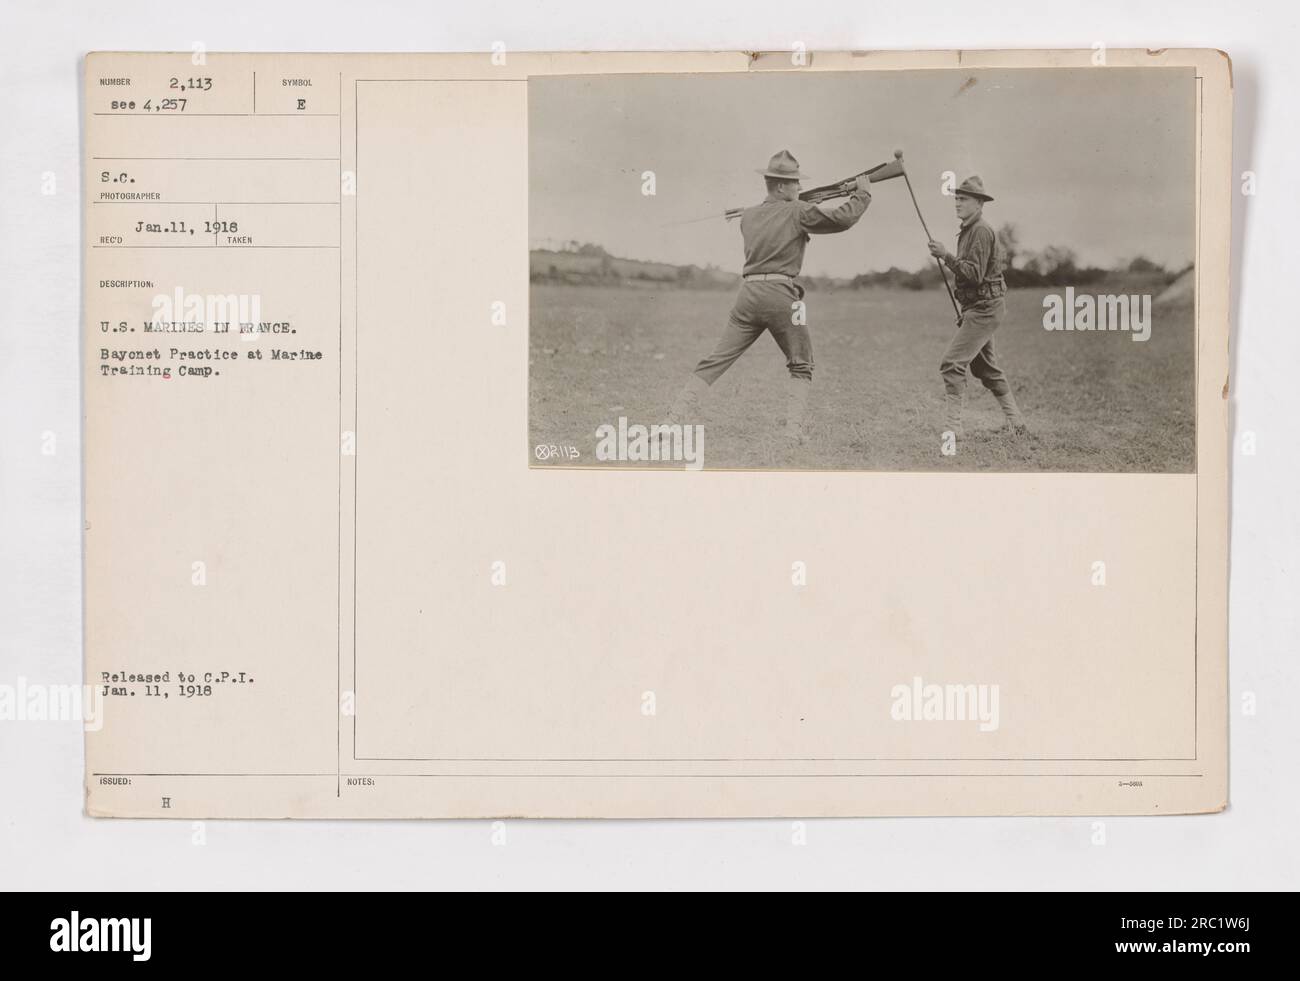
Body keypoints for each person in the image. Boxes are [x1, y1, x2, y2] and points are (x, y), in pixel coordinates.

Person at [666, 149, 872, 443]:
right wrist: (862, 195)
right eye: (794, 183)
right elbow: (842, 220)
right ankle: (793, 431)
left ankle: (673, 418)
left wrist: (801, 203)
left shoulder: (747, 216)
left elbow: (776, 219)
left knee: (716, 359)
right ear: (780, 186)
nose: (799, 187)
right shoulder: (798, 211)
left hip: (747, 295)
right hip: (781, 295)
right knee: (802, 362)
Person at [926, 176, 1026, 439]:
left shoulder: (980, 230)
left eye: (964, 199)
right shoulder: (969, 230)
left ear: (979, 203)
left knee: (952, 363)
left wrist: (945, 255)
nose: (957, 203)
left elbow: (974, 274)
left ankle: (954, 428)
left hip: (985, 307)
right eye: (956, 198)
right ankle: (1017, 423)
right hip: (978, 307)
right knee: (985, 368)